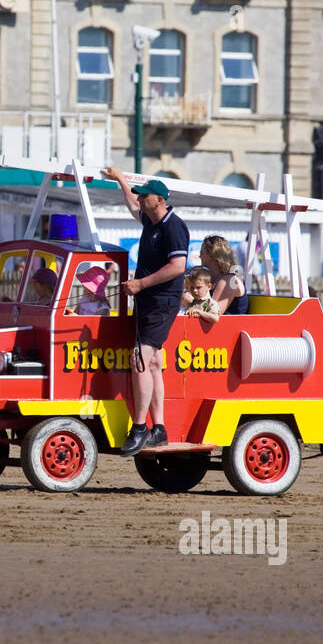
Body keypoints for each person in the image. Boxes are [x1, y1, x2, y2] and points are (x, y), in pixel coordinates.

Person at [103, 168, 188, 454]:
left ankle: (139, 427)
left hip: (163, 301)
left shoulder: (173, 227)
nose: (140, 199)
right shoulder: (151, 221)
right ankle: (159, 429)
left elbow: (177, 267)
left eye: (145, 195)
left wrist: (141, 283)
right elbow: (130, 203)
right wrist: (121, 180)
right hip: (148, 301)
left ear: (160, 200)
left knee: (140, 357)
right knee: (151, 363)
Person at [194, 235, 247, 315]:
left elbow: (213, 313)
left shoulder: (229, 280)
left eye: (202, 252)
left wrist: (188, 300)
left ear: (211, 256)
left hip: (233, 326)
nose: (199, 256)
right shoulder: (215, 279)